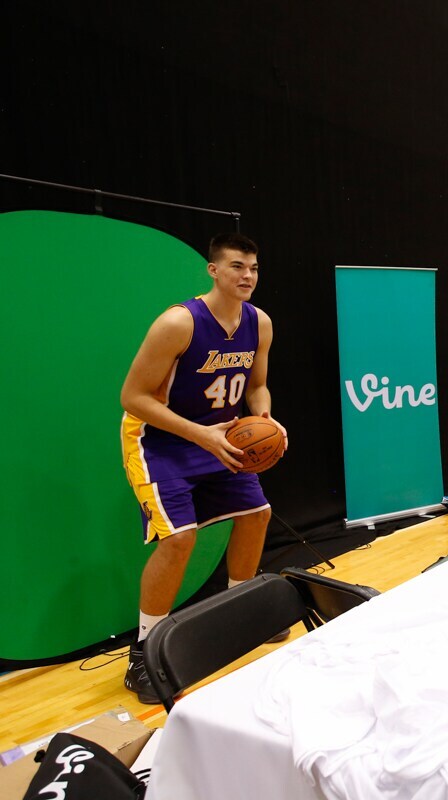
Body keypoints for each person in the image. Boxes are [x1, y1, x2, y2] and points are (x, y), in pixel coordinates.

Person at [120, 233, 288, 704]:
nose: (247, 276)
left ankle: (242, 612)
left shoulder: (260, 323)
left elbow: (258, 386)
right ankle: (145, 651)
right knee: (179, 539)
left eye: (253, 268)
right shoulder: (178, 323)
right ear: (213, 270)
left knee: (257, 515)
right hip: (160, 441)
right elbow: (132, 398)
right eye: (237, 266)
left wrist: (263, 417)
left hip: (222, 437)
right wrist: (201, 435)